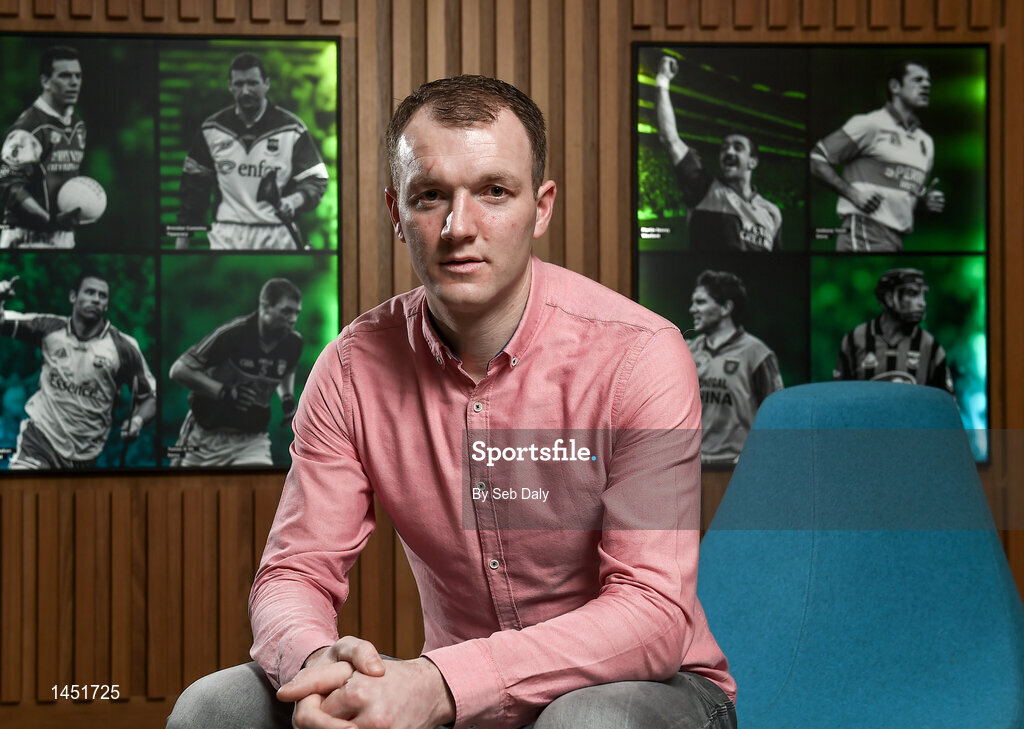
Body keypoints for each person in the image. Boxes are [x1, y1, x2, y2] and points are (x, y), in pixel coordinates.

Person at [167, 75, 735, 729]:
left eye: (494, 191)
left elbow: (652, 615)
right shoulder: (350, 369)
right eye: (431, 195)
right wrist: (318, 661)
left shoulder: (642, 355)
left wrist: (441, 682)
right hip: (458, 702)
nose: (459, 227)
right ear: (396, 212)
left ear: (541, 208)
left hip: (647, 690)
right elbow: (295, 571)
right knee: (216, 708)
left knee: (585, 723)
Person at [0, 272, 156, 470]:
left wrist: (137, 422)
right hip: (39, 441)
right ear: (73, 296)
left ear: (106, 305)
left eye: (102, 296)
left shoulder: (124, 347)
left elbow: (150, 397)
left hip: (85, 455)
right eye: (90, 292)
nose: (96, 299)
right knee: (25, 485)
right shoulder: (48, 327)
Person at [176, 53, 329, 250]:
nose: (246, 91)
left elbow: (316, 179)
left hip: (277, 234)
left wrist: (293, 201)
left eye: (252, 83)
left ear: (266, 84)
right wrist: (182, 237)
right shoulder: (212, 129)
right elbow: (193, 186)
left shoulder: (292, 129)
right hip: (227, 235)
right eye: (239, 84)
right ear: (230, 86)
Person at [809, 60, 945, 252]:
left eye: (928, 81)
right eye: (918, 80)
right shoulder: (870, 124)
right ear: (895, 86)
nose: (926, 85)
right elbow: (816, 159)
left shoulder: (926, 142)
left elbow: (905, 199)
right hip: (865, 230)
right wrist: (853, 194)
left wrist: (924, 202)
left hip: (897, 239)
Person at [168, 278, 303, 467]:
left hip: (252, 441)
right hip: (204, 437)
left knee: (260, 481)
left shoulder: (294, 343)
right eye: (287, 311)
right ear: (265, 307)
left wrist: (287, 398)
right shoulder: (233, 334)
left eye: (297, 313)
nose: (293, 319)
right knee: (176, 481)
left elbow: (286, 369)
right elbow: (178, 370)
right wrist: (224, 392)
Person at [654, 55, 782, 252]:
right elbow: (669, 138)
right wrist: (663, 79)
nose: (728, 151)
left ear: (753, 162)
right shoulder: (704, 189)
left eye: (738, 147)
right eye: (724, 148)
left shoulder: (772, 213)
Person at [687, 270, 783, 465]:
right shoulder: (688, 351)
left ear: (726, 308)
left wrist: (758, 455)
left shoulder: (757, 353)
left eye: (701, 302)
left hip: (739, 467)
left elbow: (778, 414)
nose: (692, 309)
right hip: (694, 467)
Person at [0, 46, 87, 249]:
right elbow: (7, 182)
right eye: (65, 76)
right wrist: (49, 221)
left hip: (63, 237)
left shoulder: (78, 126)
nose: (74, 82)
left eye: (78, 76)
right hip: (26, 239)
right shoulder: (28, 129)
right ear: (45, 81)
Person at [834, 267, 953, 392]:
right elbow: (839, 395)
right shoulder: (854, 340)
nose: (922, 303)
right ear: (889, 298)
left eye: (923, 295)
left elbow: (946, 400)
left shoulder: (930, 346)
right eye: (912, 293)